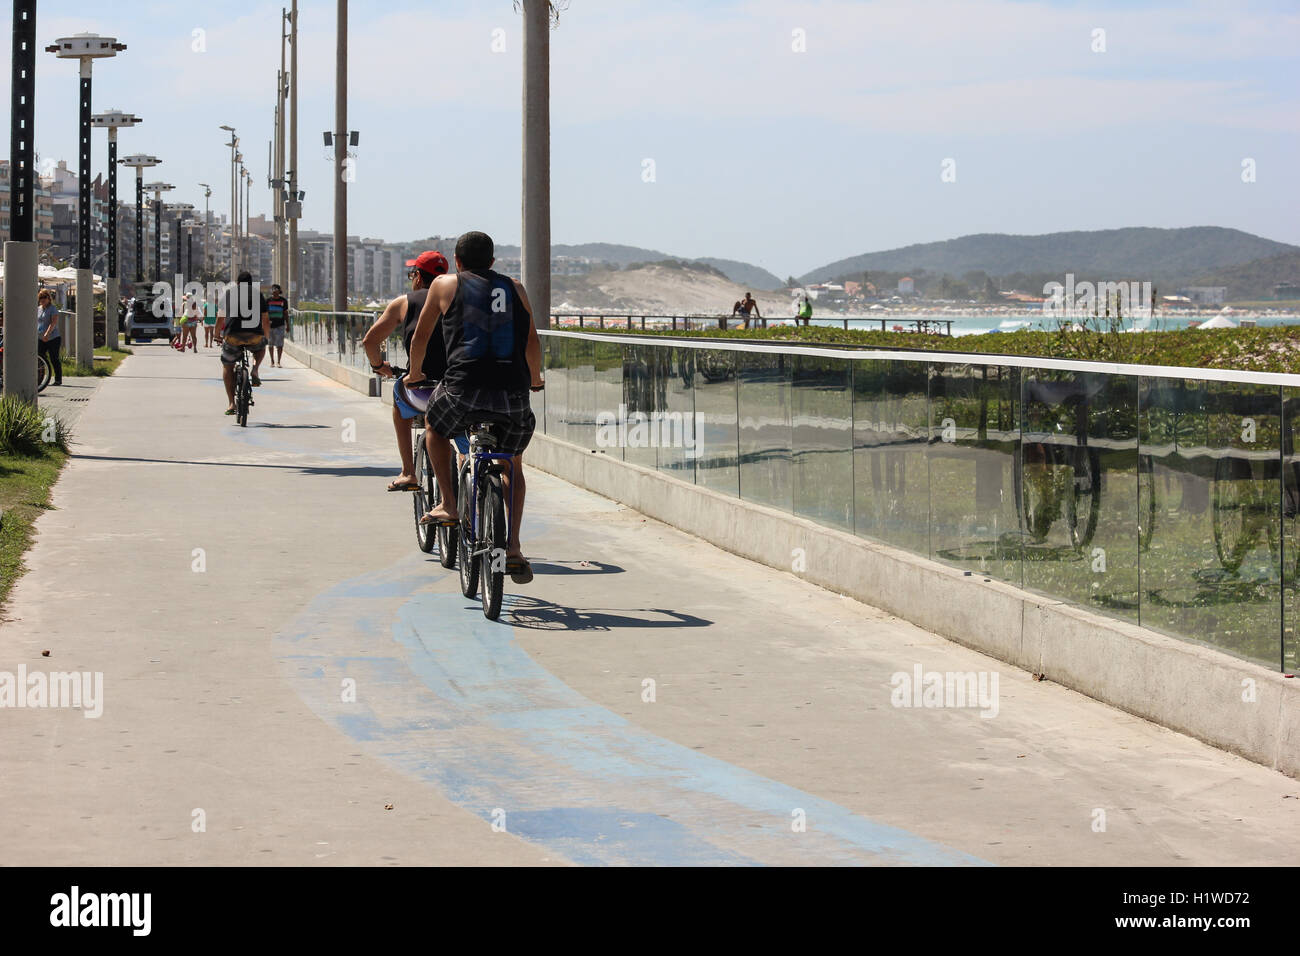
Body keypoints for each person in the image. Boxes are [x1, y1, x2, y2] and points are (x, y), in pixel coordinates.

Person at [405, 231, 543, 584]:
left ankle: (449, 503)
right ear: (493, 262)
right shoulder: (515, 287)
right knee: (511, 461)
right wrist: (536, 379)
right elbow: (531, 339)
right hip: (512, 395)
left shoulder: (445, 285)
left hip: (461, 391)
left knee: (435, 429)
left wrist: (415, 373)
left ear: (458, 261)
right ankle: (512, 547)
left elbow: (421, 337)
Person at [361, 250, 450, 491]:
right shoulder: (456, 299)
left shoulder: (404, 302)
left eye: (412, 274)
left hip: (421, 390)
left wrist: (379, 366)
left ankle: (408, 471)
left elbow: (370, 341)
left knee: (399, 398)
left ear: (418, 277)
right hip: (457, 387)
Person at [215, 272, 269, 415]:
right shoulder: (258, 295)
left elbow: (220, 316)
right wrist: (266, 336)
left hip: (232, 336)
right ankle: (255, 369)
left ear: (237, 283)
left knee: (228, 366)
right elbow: (265, 318)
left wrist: (216, 335)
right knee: (261, 347)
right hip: (254, 336)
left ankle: (232, 403)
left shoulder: (229, 294)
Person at [37, 289, 62, 385]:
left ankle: (58, 379)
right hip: (40, 338)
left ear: (48, 298)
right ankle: (39, 380)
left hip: (53, 338)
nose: (42, 300)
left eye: (44, 297)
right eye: (40, 298)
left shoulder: (53, 309)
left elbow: (53, 323)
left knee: (54, 358)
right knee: (40, 359)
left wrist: (47, 334)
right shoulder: (38, 309)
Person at [265, 283, 289, 367]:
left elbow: (285, 313)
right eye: (273, 289)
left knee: (280, 344)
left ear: (279, 291)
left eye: (276, 289)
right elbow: (265, 314)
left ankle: (279, 361)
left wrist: (288, 325)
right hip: (270, 326)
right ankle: (272, 361)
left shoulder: (283, 301)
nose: (274, 291)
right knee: (270, 344)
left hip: (280, 325)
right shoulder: (267, 301)